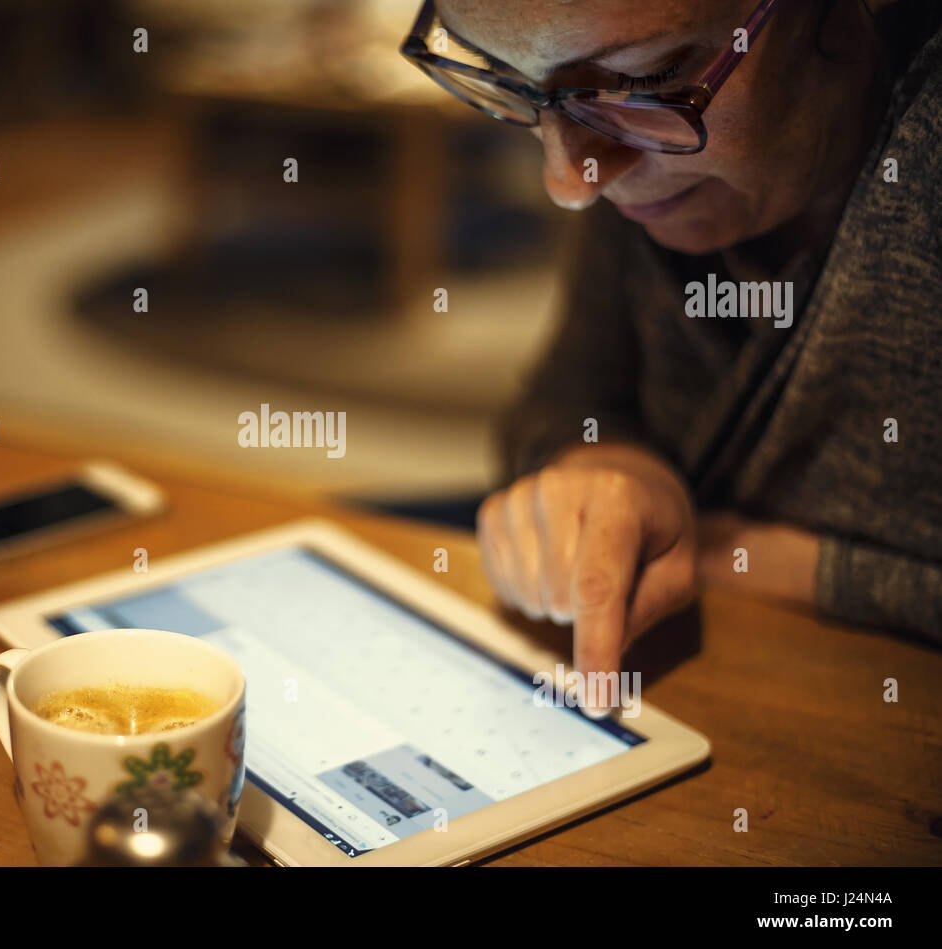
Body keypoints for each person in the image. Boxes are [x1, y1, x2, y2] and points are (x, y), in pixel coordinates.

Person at [402, 0, 942, 699]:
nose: (569, 183)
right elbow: (568, 397)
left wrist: (749, 557)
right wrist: (609, 466)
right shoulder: (621, 137)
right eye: (514, 80)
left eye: (648, 78)